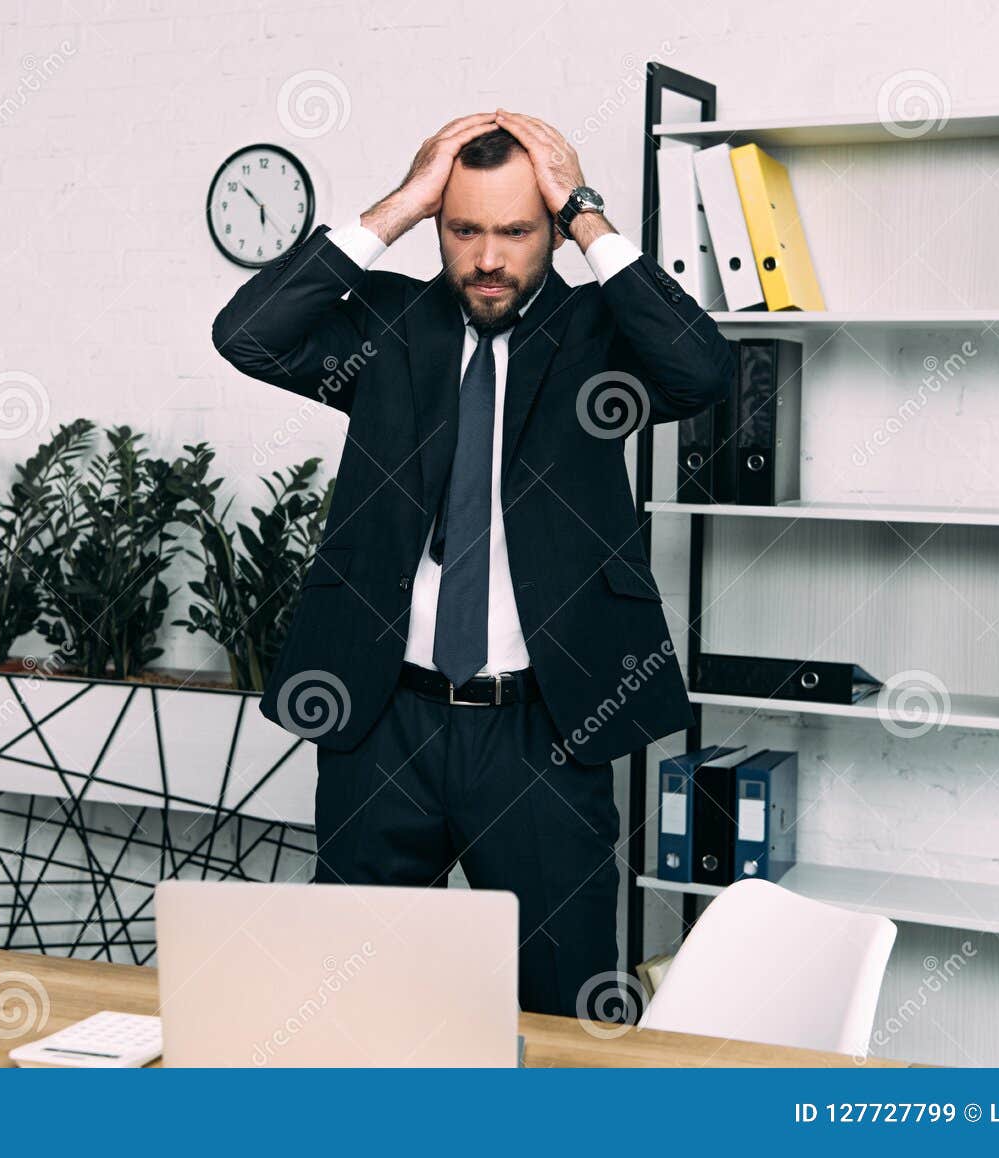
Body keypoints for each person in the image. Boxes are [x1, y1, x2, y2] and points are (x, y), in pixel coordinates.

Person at [212, 109, 735, 1018]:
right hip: (383, 723)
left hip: (542, 729)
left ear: (550, 230)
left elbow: (703, 371)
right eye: (465, 229)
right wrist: (400, 206)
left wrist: (584, 211)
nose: (488, 257)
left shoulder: (596, 335)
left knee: (563, 1005)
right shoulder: (387, 326)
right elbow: (248, 334)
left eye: (515, 230)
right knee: (353, 1002)